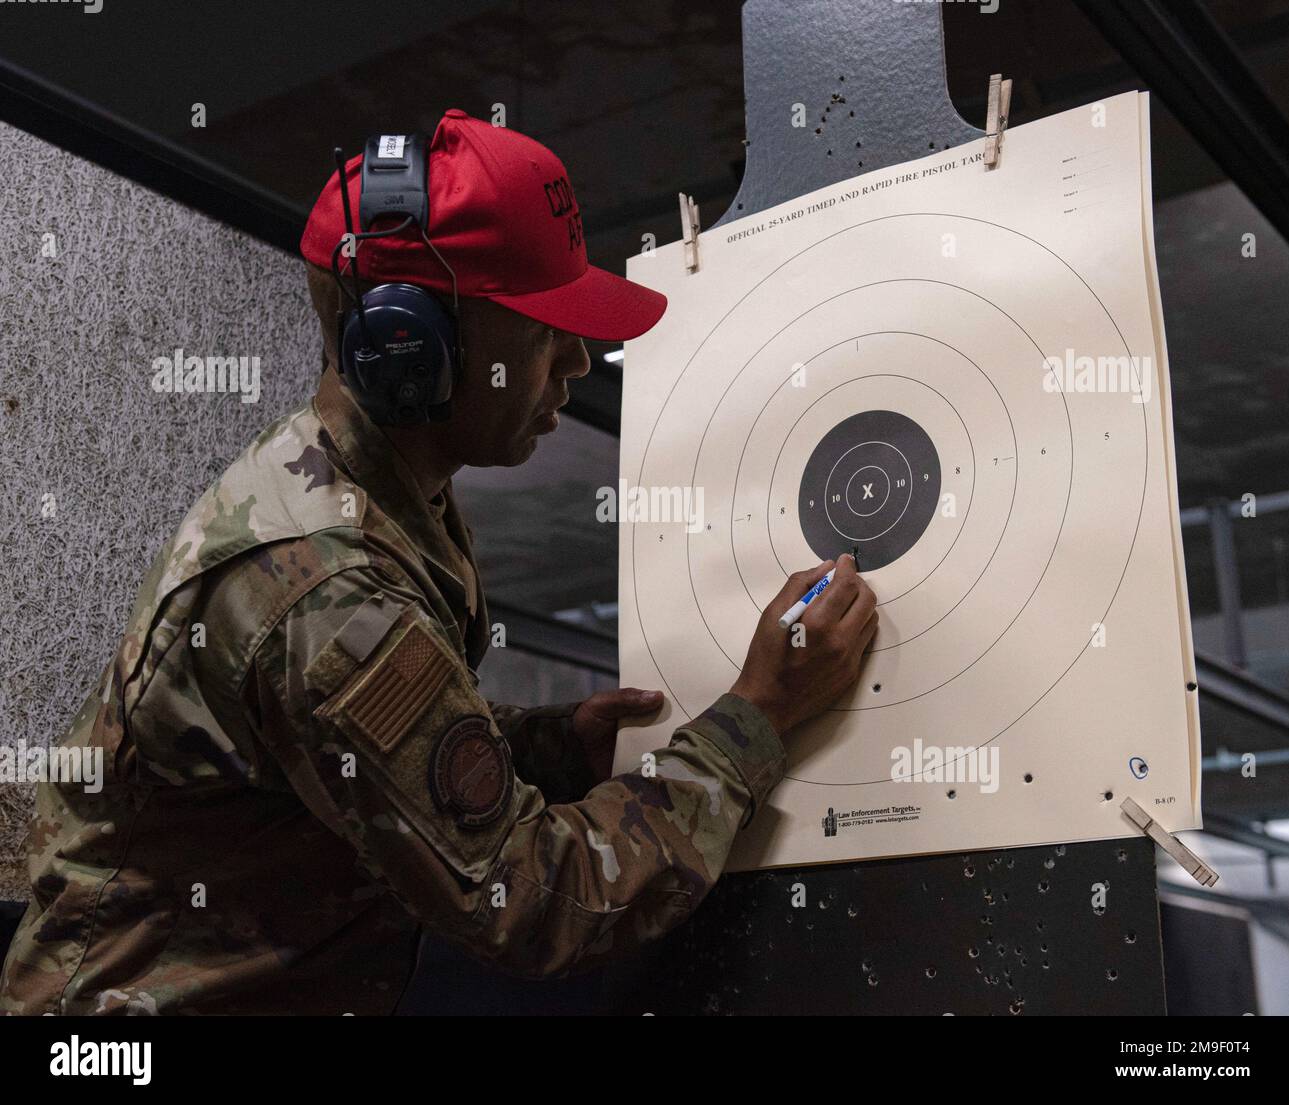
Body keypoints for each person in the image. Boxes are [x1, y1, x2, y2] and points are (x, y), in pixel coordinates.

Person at [0, 110, 877, 1015]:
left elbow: (363, 741)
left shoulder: (376, 488)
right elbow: (535, 901)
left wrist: (548, 744)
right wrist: (756, 718)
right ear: (412, 345)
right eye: (543, 332)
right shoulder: (327, 585)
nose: (577, 360)